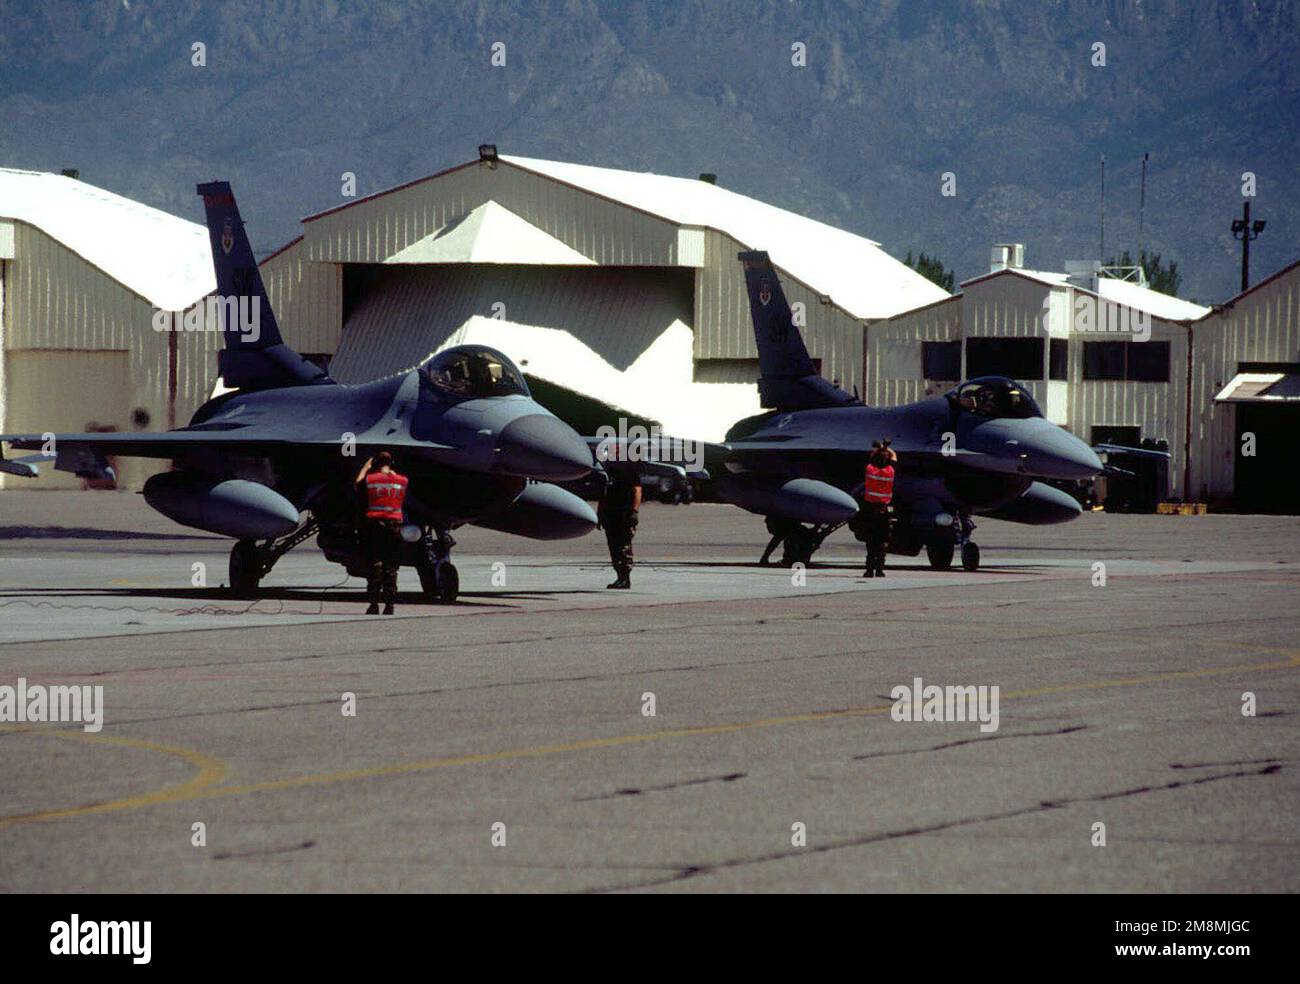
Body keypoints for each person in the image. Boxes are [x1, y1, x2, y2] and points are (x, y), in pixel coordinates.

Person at [355, 451, 408, 614]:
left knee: (375, 565)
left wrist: (365, 467)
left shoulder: (371, 480)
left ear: (376, 463)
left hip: (375, 526)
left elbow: (357, 484)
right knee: (391, 567)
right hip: (395, 526)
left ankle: (373, 605)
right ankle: (390, 605)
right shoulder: (402, 480)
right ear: (391, 463)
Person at [598, 465, 641, 589]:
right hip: (611, 515)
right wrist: (600, 514)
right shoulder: (609, 472)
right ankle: (619, 577)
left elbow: (637, 491)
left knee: (623, 546)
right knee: (614, 547)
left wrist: (634, 511)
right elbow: (604, 495)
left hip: (624, 515)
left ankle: (625, 578)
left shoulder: (629, 471)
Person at [860, 439, 896, 578]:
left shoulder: (870, 470)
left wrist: (879, 448)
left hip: (870, 511)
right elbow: (894, 456)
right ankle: (880, 570)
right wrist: (886, 447)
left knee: (870, 543)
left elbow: (872, 456)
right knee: (882, 543)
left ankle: (869, 570)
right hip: (884, 512)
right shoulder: (889, 472)